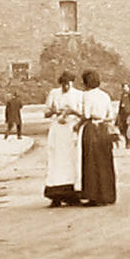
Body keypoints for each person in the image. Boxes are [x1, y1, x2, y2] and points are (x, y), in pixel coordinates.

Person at [78, 70, 117, 206]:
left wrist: (77, 125)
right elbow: (110, 115)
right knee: (105, 161)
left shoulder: (86, 95)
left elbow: (86, 115)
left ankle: (93, 196)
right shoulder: (105, 95)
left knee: (91, 162)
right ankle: (107, 195)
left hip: (92, 129)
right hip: (104, 129)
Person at [44, 71, 84, 206]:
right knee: (56, 160)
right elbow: (46, 113)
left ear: (72, 83)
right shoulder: (54, 93)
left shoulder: (79, 95)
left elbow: (84, 114)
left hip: (71, 129)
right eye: (63, 84)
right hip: (57, 130)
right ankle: (55, 195)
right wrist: (55, 111)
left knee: (72, 160)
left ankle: (73, 194)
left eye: (68, 84)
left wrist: (72, 112)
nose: (65, 86)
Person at [116, 82, 130, 148]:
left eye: (126, 87)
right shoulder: (122, 95)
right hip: (123, 115)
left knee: (129, 128)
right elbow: (120, 106)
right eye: (123, 87)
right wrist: (118, 115)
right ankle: (127, 140)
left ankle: (129, 142)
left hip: (129, 114)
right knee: (123, 128)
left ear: (128, 87)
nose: (124, 88)